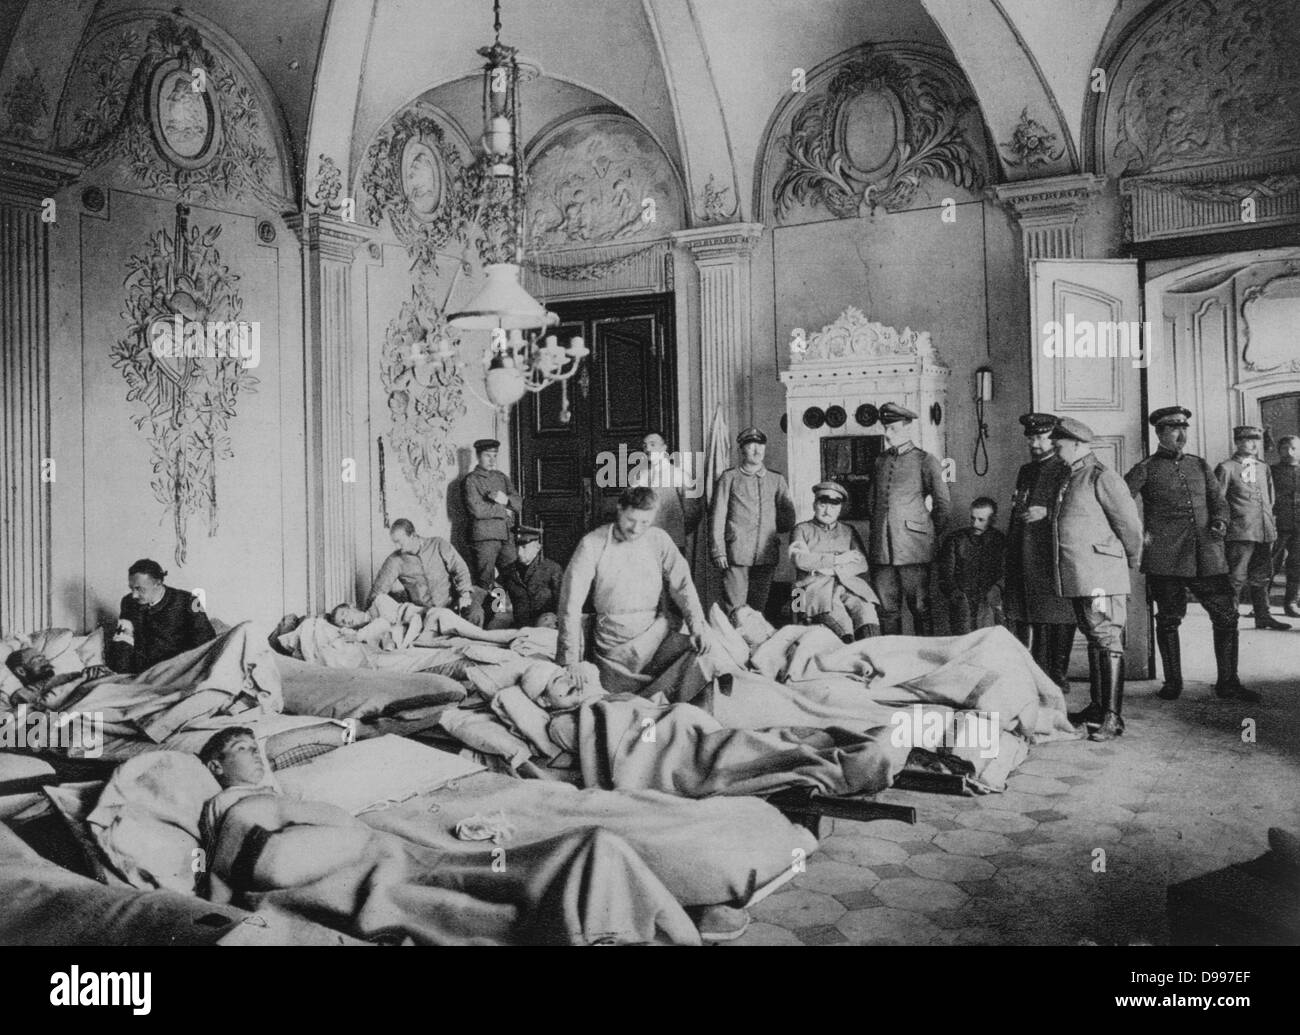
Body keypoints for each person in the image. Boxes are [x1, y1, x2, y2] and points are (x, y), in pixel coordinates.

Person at [1124, 406, 1252, 701]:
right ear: (1159, 433)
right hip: (1165, 557)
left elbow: (1218, 501)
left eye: (1184, 428)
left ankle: (1228, 682)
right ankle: (1172, 683)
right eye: (1173, 429)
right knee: (1168, 619)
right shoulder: (1146, 468)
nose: (1181, 435)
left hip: (1207, 554)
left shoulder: (1199, 464)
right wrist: (1137, 533)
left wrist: (1220, 521)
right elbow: (1119, 501)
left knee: (1226, 616)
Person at [558, 486, 708, 693]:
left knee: (704, 656)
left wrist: (697, 627)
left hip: (654, 636)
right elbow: (570, 605)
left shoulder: (659, 539)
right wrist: (570, 660)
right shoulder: (591, 543)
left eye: (645, 522)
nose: (636, 529)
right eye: (631, 520)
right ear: (619, 509)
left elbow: (683, 586)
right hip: (613, 647)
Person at [1048, 418, 1143, 742]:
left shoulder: (1102, 476)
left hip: (1100, 575)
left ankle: (1113, 718)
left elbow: (1130, 526)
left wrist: (1129, 562)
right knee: (1095, 637)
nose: (1054, 449)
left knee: (1106, 638)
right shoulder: (1072, 476)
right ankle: (1097, 707)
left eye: (1058, 445)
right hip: (1081, 573)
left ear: (1076, 444)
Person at [198, 727, 375, 895]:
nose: (255, 753)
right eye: (242, 748)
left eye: (255, 749)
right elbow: (216, 846)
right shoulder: (224, 800)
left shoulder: (272, 793)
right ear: (216, 767)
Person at [1004, 413, 1076, 693]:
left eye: (1040, 437)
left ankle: (1058, 674)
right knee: (1030, 613)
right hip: (1024, 549)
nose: (1034, 443)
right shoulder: (1026, 470)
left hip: (1052, 552)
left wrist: (1047, 513)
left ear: (1054, 439)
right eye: (1031, 438)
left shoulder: (1065, 468)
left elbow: (1076, 509)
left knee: (1058, 613)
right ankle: (1036, 672)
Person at [868, 402, 951, 635]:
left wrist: (926, 535)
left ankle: (923, 657)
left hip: (914, 550)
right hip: (882, 551)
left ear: (907, 429)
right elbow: (872, 504)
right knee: (887, 610)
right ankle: (894, 663)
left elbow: (943, 505)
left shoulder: (926, 460)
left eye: (892, 428)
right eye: (885, 428)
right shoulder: (880, 461)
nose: (886, 434)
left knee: (920, 607)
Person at [710, 427, 796, 620]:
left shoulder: (776, 480)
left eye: (760, 446)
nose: (757, 450)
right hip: (736, 552)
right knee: (736, 610)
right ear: (741, 450)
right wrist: (719, 550)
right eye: (751, 446)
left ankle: (754, 649)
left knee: (758, 610)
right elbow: (717, 516)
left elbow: (788, 517)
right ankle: (736, 648)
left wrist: (771, 531)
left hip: (766, 555)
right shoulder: (729, 478)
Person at [1215, 426, 1291, 630]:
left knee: (1262, 575)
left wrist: (1268, 523)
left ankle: (1263, 616)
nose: (1254, 444)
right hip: (1240, 531)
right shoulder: (1227, 467)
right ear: (1238, 442)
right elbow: (1217, 501)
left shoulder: (1262, 467)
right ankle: (1229, 618)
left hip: (1263, 529)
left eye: (1256, 440)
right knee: (1236, 577)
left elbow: (1270, 498)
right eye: (1249, 440)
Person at [789, 481, 880, 643]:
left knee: (866, 612)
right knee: (842, 622)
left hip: (848, 586)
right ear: (814, 504)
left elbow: (861, 563)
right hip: (813, 589)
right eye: (822, 504)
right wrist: (838, 559)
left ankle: (870, 660)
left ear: (839, 508)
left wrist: (829, 569)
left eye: (833, 506)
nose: (827, 510)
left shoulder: (848, 530)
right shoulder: (801, 530)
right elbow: (800, 559)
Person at [104, 559, 217, 674]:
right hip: (140, 673)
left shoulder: (190, 600)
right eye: (131, 588)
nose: (134, 595)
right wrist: (121, 676)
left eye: (139, 589)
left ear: (158, 584)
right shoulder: (128, 602)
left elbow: (205, 643)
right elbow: (124, 641)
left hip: (175, 671)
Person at [365, 518, 484, 627]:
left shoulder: (438, 544)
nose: (397, 546)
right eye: (394, 542)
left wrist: (465, 595)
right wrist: (366, 616)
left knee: (476, 614)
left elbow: (460, 569)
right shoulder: (394, 560)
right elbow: (378, 591)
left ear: (412, 535)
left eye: (399, 542)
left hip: (453, 603)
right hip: (426, 614)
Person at [937, 497, 1006, 636]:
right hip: (962, 604)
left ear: (992, 520)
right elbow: (945, 577)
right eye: (972, 518)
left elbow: (1006, 573)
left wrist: (996, 590)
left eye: (981, 520)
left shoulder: (1000, 540)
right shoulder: (955, 540)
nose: (975, 523)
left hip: (989, 603)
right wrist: (957, 596)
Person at [630, 432, 703, 556]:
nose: (648, 449)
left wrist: (677, 531)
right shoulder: (640, 477)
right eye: (644, 446)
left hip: (671, 542)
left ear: (664, 448)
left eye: (653, 444)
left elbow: (692, 511)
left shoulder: (679, 475)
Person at [462, 439, 523, 587]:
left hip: (505, 535)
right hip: (484, 539)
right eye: (487, 455)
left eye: (494, 456)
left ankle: (501, 608)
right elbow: (477, 510)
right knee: (486, 581)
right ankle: (492, 610)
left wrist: (506, 500)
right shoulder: (471, 480)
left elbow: (519, 502)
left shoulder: (501, 477)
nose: (491, 460)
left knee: (509, 578)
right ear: (478, 456)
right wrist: (504, 510)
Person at [4, 648, 113, 711]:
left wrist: (99, 671)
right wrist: (82, 679)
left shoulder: (66, 676)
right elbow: (46, 704)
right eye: (38, 660)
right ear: (21, 671)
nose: (46, 662)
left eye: (44, 658)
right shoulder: (23, 693)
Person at [501, 526, 564, 629]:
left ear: (537, 548)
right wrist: (499, 617)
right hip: (518, 625)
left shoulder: (552, 569)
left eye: (524, 547)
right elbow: (497, 599)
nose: (519, 552)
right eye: (517, 547)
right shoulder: (507, 571)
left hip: (545, 626)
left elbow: (562, 602)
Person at [1271, 434, 1300, 618]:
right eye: (1284, 448)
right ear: (1279, 450)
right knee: (1270, 563)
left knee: (1296, 565)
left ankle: (1290, 602)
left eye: (1293, 448)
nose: (1289, 452)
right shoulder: (1271, 471)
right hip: (1277, 524)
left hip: (1299, 526)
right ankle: (1260, 604)